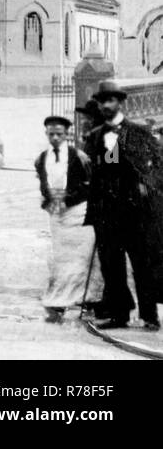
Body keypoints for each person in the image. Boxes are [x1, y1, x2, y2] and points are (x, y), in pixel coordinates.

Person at [83, 81, 161, 331]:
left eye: (110, 101)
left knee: (142, 264)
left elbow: (158, 165)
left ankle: (150, 315)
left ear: (120, 102)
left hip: (134, 211)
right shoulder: (95, 137)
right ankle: (119, 315)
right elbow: (94, 175)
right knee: (111, 265)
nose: (106, 105)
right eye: (102, 101)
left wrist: (146, 185)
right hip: (106, 213)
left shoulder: (138, 133)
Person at [34, 115, 100, 323]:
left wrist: (68, 199)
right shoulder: (42, 158)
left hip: (78, 212)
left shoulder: (78, 156)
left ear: (66, 135)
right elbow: (43, 183)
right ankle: (59, 303)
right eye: (51, 134)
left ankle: (88, 300)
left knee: (82, 258)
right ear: (46, 134)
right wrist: (48, 199)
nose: (55, 138)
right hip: (57, 215)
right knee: (61, 259)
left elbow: (89, 185)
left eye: (59, 134)